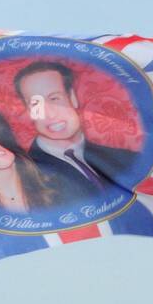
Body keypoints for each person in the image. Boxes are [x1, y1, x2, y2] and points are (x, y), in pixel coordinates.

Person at [13, 60, 140, 203]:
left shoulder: (129, 160)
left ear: (72, 97)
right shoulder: (21, 177)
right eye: (36, 104)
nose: (50, 114)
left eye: (54, 98)